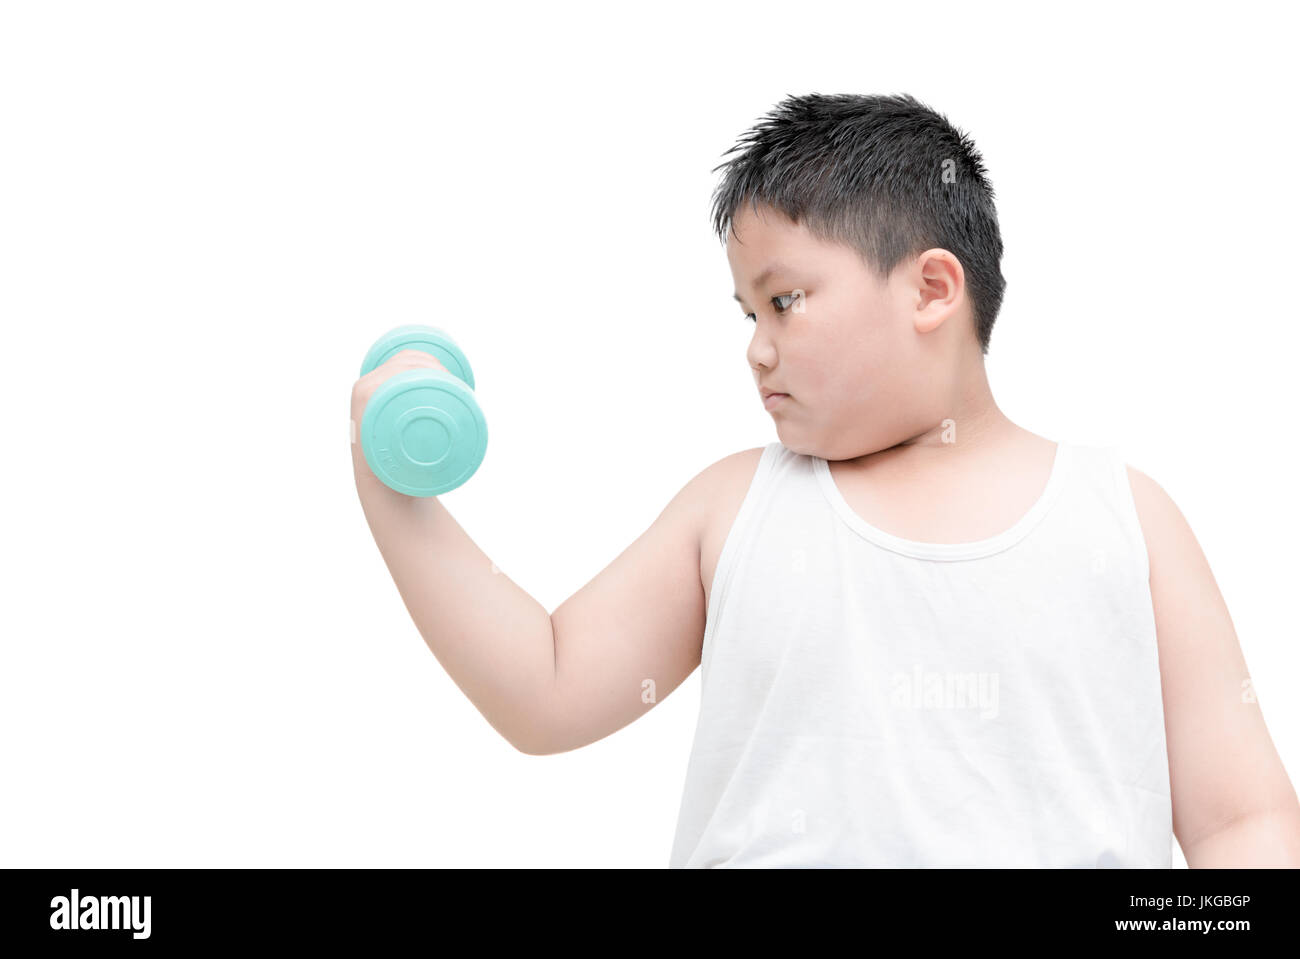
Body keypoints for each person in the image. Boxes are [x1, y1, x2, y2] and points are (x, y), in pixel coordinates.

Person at [349, 92, 1300, 867]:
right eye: (747, 312)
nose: (757, 350)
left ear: (932, 289)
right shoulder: (734, 509)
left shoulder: (1123, 518)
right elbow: (547, 690)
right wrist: (392, 485)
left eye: (785, 301)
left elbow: (1241, 824)